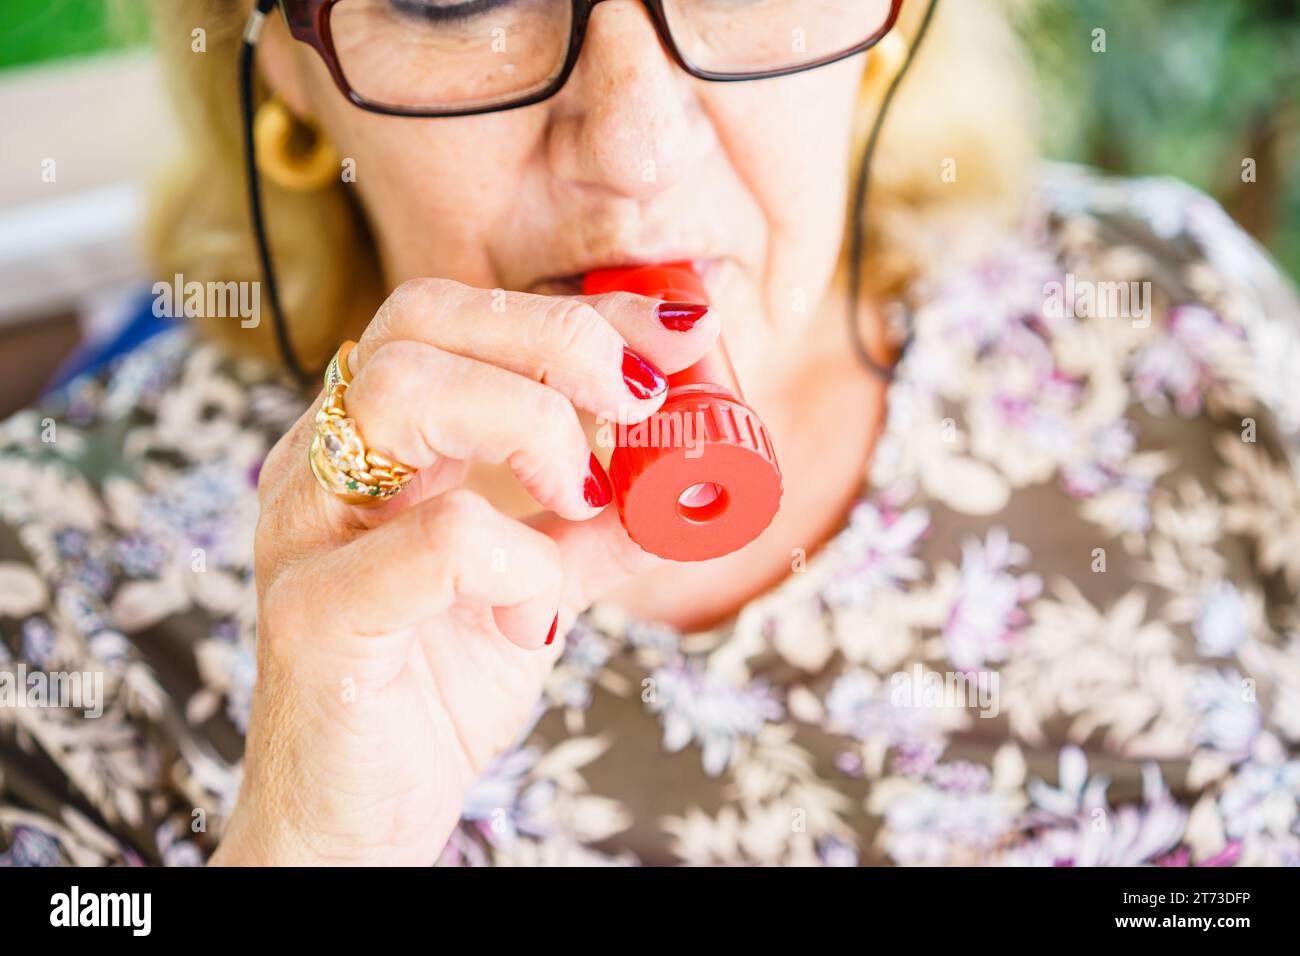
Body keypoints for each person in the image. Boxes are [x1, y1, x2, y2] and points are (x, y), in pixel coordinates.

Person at [1, 0, 1298, 867]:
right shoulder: (52, 584)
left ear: (892, 30)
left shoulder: (1166, 312)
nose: (630, 146)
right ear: (281, 66)